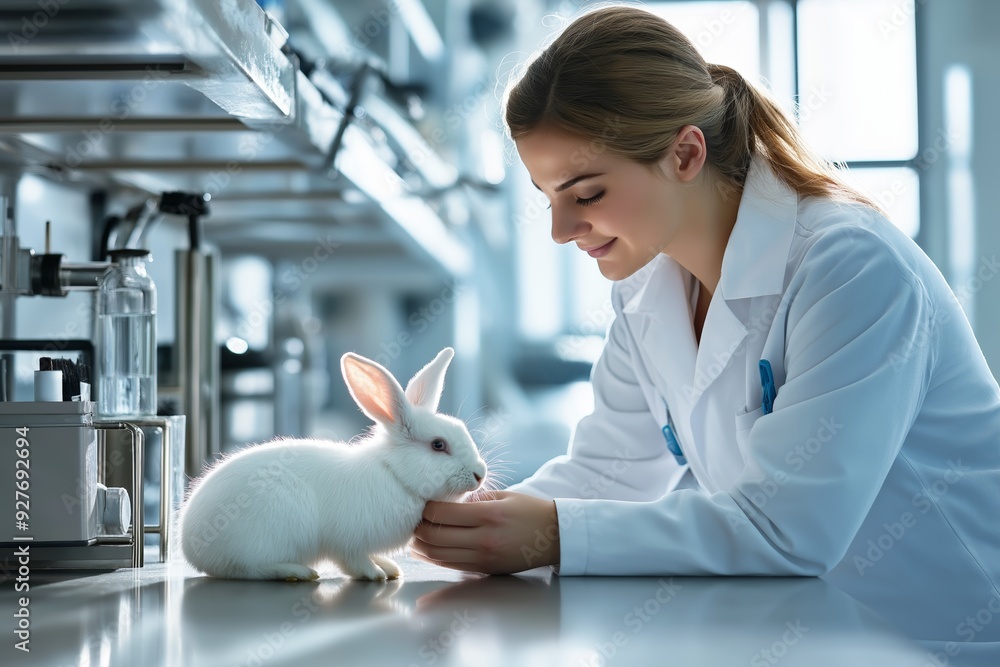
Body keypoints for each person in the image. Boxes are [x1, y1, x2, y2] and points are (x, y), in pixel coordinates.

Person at [410, 5, 1000, 614]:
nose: (560, 231)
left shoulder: (851, 267)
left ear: (685, 155)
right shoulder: (644, 288)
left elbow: (787, 530)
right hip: (830, 625)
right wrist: (467, 520)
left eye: (587, 194)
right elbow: (611, 474)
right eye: (548, 198)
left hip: (951, 630)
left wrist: (554, 533)